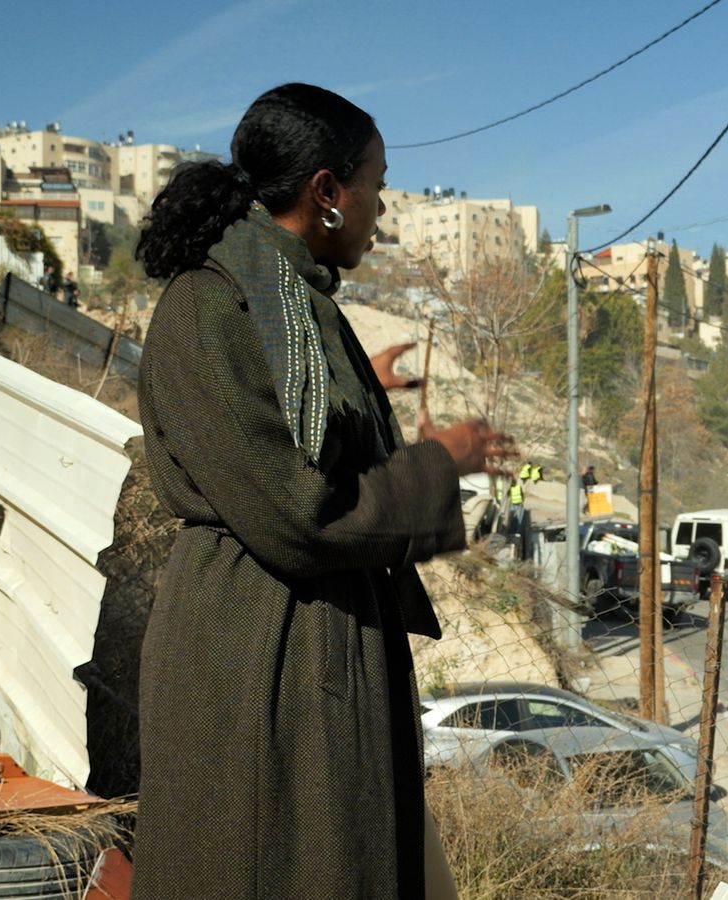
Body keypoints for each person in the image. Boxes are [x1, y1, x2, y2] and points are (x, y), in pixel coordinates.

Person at [130, 83, 512, 900]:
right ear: (328, 192)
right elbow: (299, 514)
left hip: (312, 645)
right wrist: (439, 464)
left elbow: (284, 427)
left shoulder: (292, 303)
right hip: (262, 659)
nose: (384, 209)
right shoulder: (212, 306)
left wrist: (362, 393)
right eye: (378, 184)